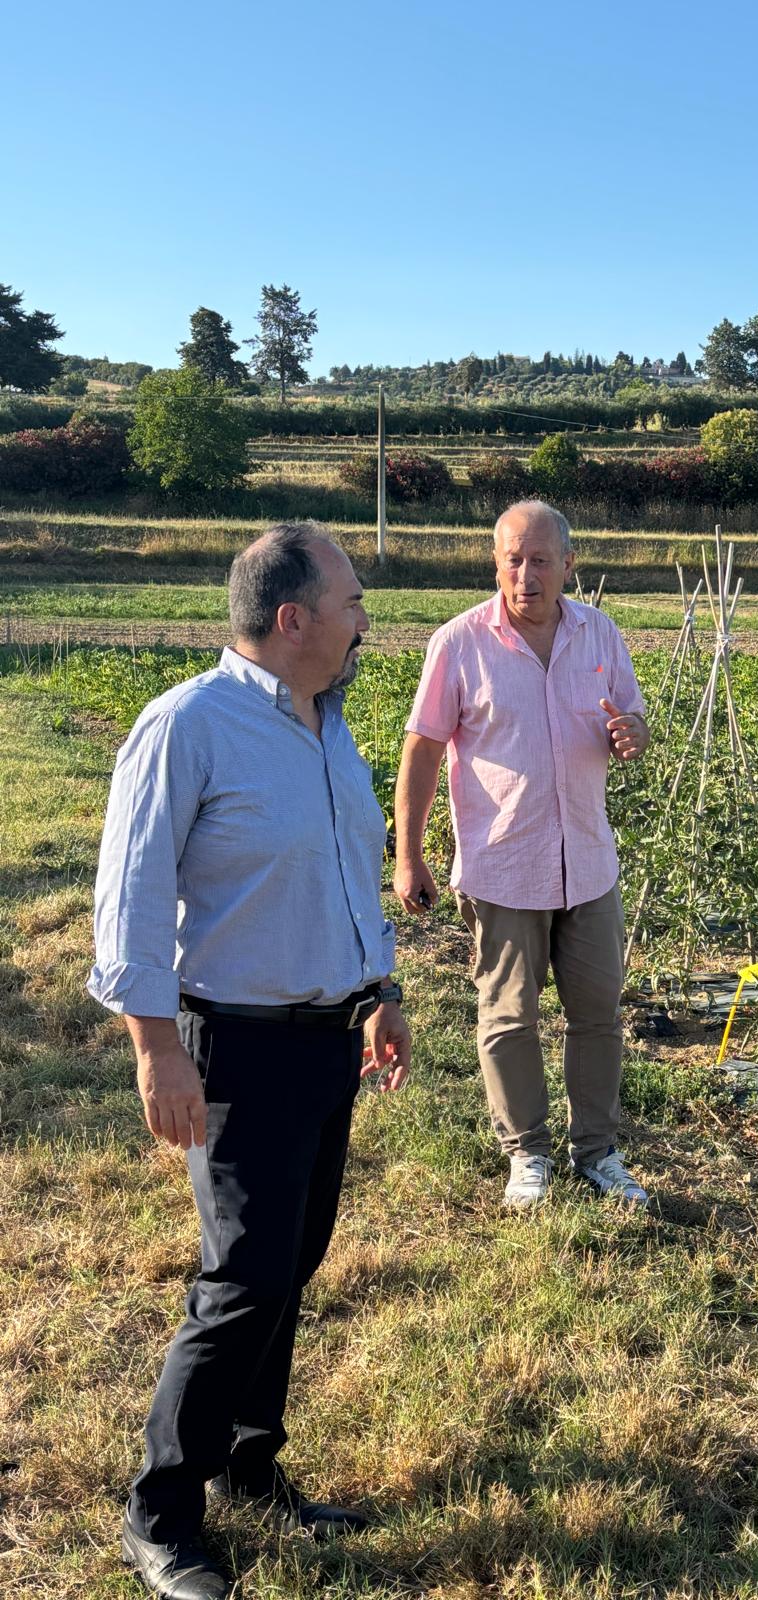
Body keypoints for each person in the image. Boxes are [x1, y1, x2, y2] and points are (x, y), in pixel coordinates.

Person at [89, 523, 411, 1600]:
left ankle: (248, 1463)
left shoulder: (330, 728)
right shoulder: (189, 726)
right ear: (294, 618)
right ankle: (159, 1514)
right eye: (352, 602)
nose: (365, 621)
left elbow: (348, 874)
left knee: (294, 1259)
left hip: (327, 1041)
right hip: (235, 1046)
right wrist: (156, 1051)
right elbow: (131, 898)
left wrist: (380, 991)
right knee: (243, 1279)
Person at [394, 499, 650, 1211]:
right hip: (504, 865)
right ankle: (528, 1153)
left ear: (569, 564)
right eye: (513, 560)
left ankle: (597, 1151)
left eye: (540, 560)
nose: (525, 575)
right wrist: (408, 855)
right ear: (495, 564)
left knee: (598, 1015)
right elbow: (421, 752)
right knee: (509, 1017)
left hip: (588, 864)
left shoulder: (600, 633)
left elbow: (631, 716)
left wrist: (633, 731)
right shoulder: (459, 643)